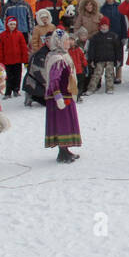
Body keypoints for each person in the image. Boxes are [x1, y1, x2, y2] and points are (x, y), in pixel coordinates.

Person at [44, 30, 82, 163]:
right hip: (60, 97)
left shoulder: (64, 55)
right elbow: (54, 79)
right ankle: (62, 152)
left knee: (66, 122)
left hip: (67, 94)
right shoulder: (57, 58)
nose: (69, 42)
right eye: (66, 40)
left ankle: (65, 150)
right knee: (62, 123)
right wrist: (57, 95)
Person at [0, 17, 30, 99]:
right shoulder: (2, 35)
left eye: (14, 24)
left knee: (17, 76)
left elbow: (23, 47)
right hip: (7, 61)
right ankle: (8, 92)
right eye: (11, 24)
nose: (12, 26)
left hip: (17, 59)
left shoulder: (19, 34)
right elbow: (0, 48)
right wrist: (0, 60)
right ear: (7, 25)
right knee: (8, 77)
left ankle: (16, 89)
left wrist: (25, 58)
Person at [88, 17, 121, 94]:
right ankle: (91, 88)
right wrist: (91, 59)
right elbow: (92, 49)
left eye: (105, 25)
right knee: (96, 74)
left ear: (108, 26)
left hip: (110, 59)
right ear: (100, 26)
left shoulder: (113, 36)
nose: (104, 27)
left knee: (109, 74)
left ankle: (110, 88)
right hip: (99, 59)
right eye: (102, 25)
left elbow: (117, 48)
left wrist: (118, 58)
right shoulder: (96, 37)